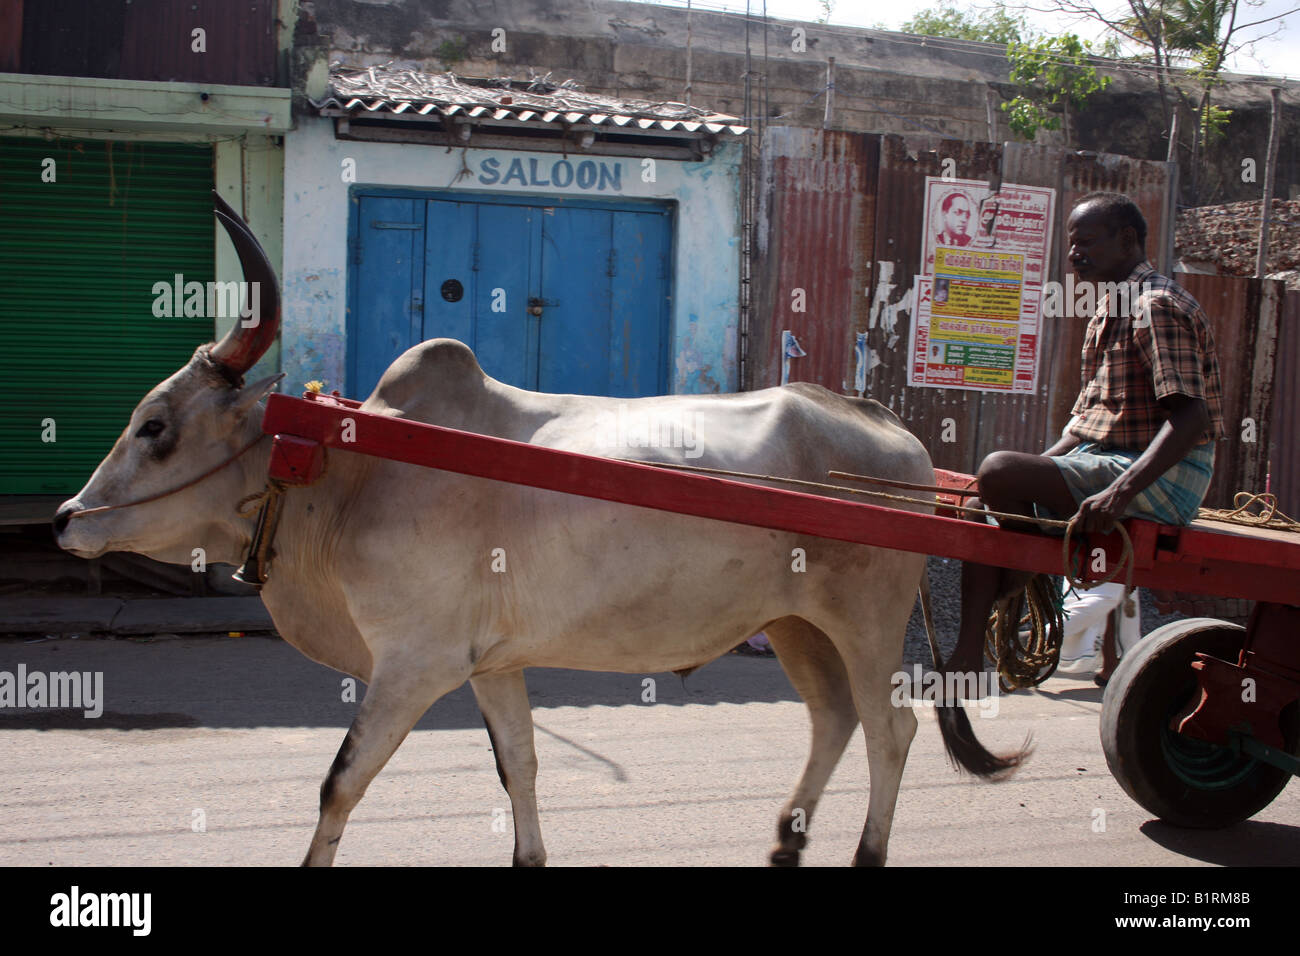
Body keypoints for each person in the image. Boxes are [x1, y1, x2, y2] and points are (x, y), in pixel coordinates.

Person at [943, 191, 1224, 682]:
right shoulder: (1104, 314)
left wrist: (1119, 492)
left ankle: (1029, 573)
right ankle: (966, 659)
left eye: (1086, 242)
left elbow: (1191, 418)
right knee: (981, 502)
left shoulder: (1154, 306)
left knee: (998, 471)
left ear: (1128, 240)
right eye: (1072, 245)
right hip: (1110, 457)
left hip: (1169, 474)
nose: (1075, 255)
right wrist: (1016, 480)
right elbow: (1082, 425)